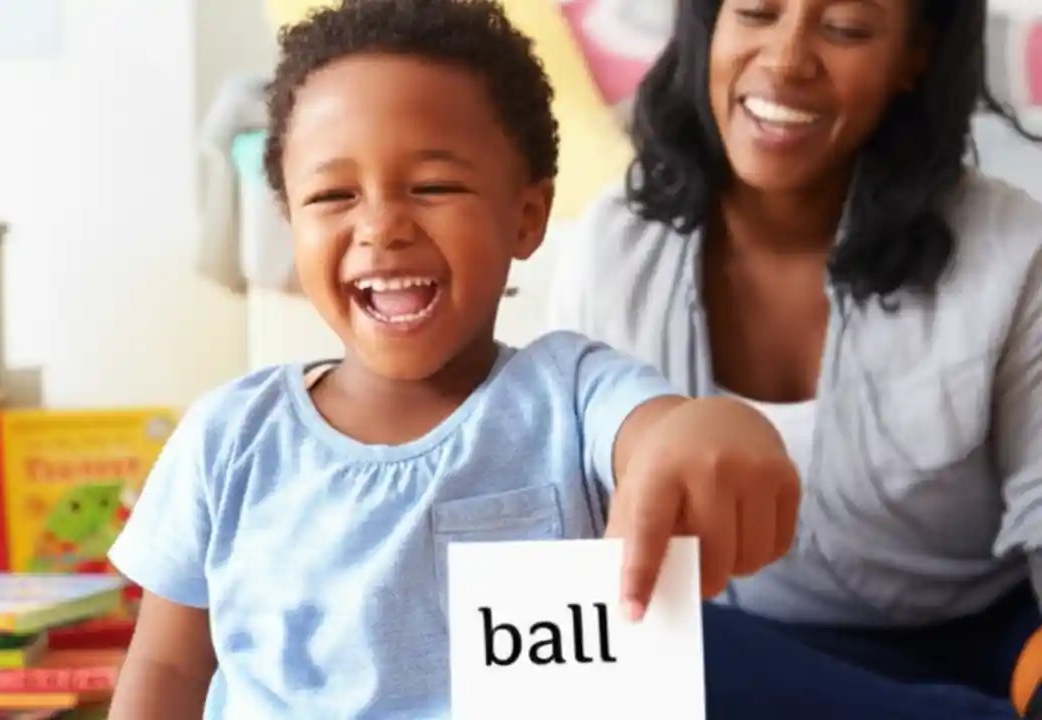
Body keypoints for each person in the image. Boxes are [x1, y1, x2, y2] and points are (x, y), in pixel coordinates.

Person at [104, 0, 802, 717]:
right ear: (292, 224)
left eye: (434, 187)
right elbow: (165, 667)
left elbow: (663, 432)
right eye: (333, 194)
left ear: (526, 217)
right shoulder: (228, 440)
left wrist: (712, 428)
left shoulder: (572, 393)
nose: (381, 226)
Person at [549, 0, 1042, 717]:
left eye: (845, 29)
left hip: (990, 641)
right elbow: (572, 522)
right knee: (617, 650)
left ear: (915, 58)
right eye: (753, 13)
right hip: (749, 651)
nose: (785, 60)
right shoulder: (612, 248)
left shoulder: (1015, 252)